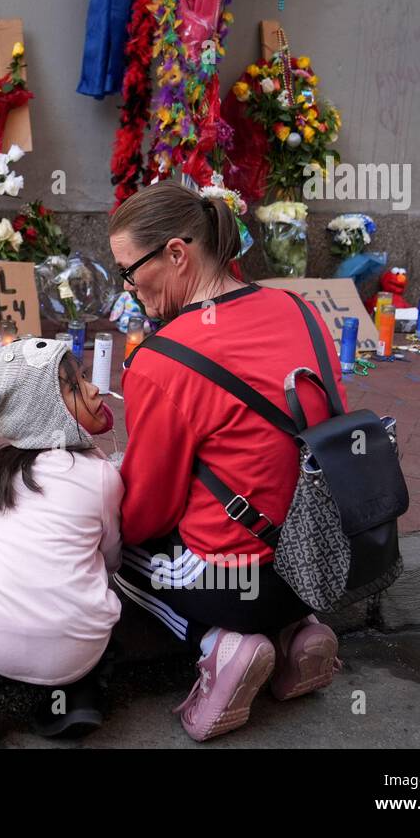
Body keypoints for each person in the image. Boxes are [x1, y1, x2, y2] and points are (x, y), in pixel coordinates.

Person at [107, 181, 344, 743]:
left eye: (127, 270)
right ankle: (297, 633)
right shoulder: (301, 311)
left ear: (175, 254)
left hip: (235, 583)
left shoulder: (162, 360)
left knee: (106, 547)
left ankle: (221, 645)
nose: (127, 286)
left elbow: (146, 513)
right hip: (318, 561)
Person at [0, 337, 122, 741]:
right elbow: (112, 550)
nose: (94, 388)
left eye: (85, 377)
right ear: (45, 410)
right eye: (75, 385)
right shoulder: (103, 476)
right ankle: (76, 698)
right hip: (81, 648)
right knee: (92, 569)